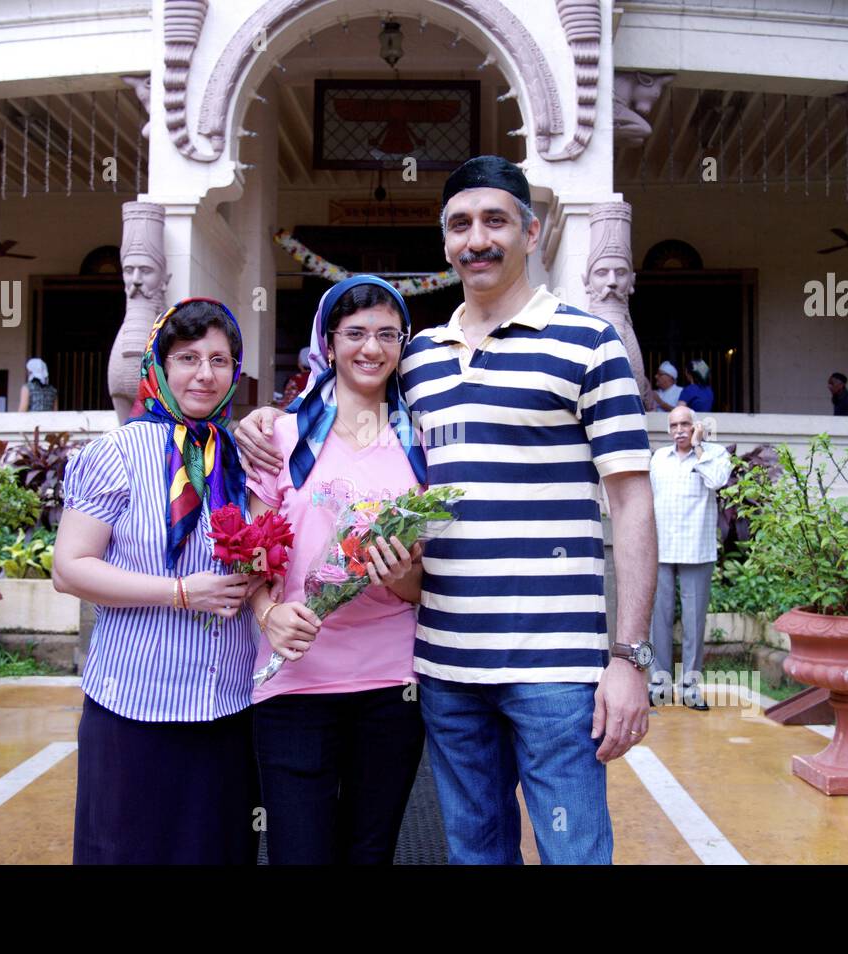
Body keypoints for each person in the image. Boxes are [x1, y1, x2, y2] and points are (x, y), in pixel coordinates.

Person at [236, 155, 657, 866]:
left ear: (532, 230)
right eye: (460, 224)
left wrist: (629, 658)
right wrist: (262, 419)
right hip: (444, 668)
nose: (477, 239)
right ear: (444, 243)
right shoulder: (420, 358)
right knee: (475, 852)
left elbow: (632, 501)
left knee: (573, 850)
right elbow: (344, 399)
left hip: (553, 667)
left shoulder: (590, 342)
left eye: (496, 220)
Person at [54, 297, 264, 865]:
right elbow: (69, 568)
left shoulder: (243, 456)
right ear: (160, 365)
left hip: (226, 703)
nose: (205, 374)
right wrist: (179, 593)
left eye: (220, 360)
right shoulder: (117, 453)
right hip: (135, 702)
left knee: (215, 851)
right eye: (189, 358)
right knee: (128, 850)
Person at [246, 275, 427, 865]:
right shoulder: (278, 435)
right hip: (295, 678)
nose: (370, 348)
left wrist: (399, 576)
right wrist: (268, 613)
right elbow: (254, 549)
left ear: (403, 344)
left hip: (392, 683)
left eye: (386, 334)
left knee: (369, 853)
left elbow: (427, 585)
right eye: (354, 333)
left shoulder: (420, 442)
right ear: (327, 344)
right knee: (300, 853)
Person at [648, 407, 732, 710]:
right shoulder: (659, 459)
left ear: (695, 425)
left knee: (695, 622)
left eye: (685, 424)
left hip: (696, 548)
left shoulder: (714, 453)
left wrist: (699, 446)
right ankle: (658, 684)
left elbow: (717, 482)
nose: (679, 430)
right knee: (659, 619)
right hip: (661, 548)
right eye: (674, 425)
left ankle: (690, 688)